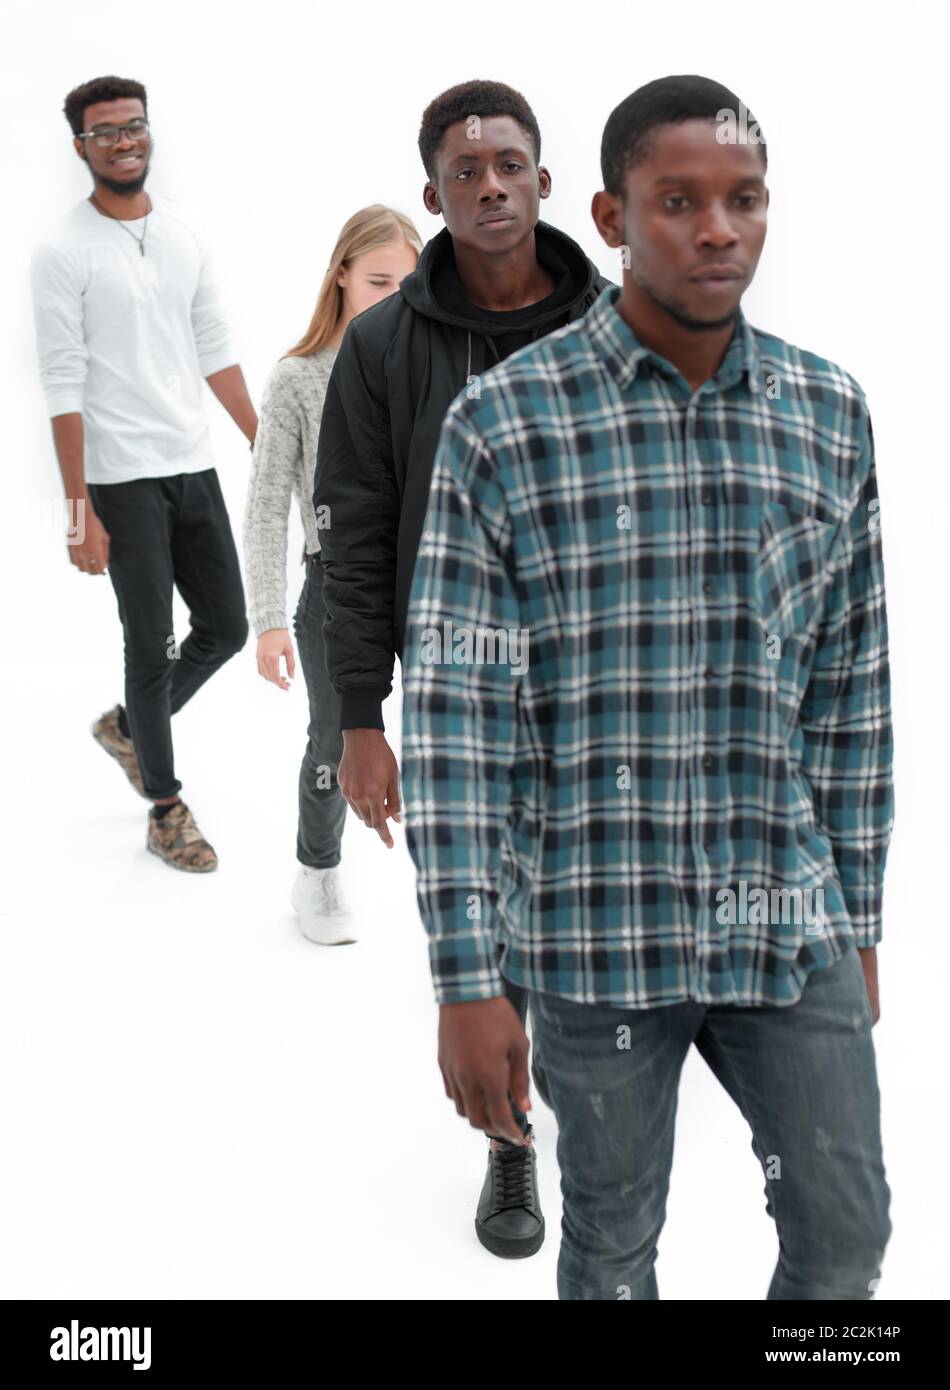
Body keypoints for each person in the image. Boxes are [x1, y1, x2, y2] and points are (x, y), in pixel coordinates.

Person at [400, 74, 895, 1299]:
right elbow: (456, 716)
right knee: (612, 1246)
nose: (717, 228)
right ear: (615, 217)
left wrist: (858, 920)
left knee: (845, 1242)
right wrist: (466, 974)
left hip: (785, 922)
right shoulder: (502, 423)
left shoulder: (826, 413)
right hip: (591, 928)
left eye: (742, 198)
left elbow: (850, 695)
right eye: (677, 200)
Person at [313, 79, 612, 1258]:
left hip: (608, 684)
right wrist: (356, 718)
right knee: (484, 929)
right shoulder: (384, 345)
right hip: (455, 694)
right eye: (463, 169)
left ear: (541, 179)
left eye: (509, 164)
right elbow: (351, 527)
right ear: (432, 191)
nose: (489, 185)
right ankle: (511, 1138)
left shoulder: (619, 320)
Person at [30, 74, 256, 871]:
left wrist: (263, 438)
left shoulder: (185, 233)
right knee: (151, 644)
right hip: (120, 480)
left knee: (226, 626)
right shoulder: (63, 251)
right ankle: (165, 806)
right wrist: (76, 508)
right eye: (106, 131)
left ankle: (129, 727)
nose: (125, 140)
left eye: (134, 125)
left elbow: (213, 344)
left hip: (192, 465)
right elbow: (61, 381)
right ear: (81, 147)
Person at [242, 206, 421, 944]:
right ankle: (317, 871)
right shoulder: (298, 377)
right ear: (341, 276)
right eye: (378, 280)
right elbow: (263, 506)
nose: (393, 297)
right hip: (338, 585)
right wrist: (270, 619)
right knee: (333, 739)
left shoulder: (425, 362)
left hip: (427, 576)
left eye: (408, 283)